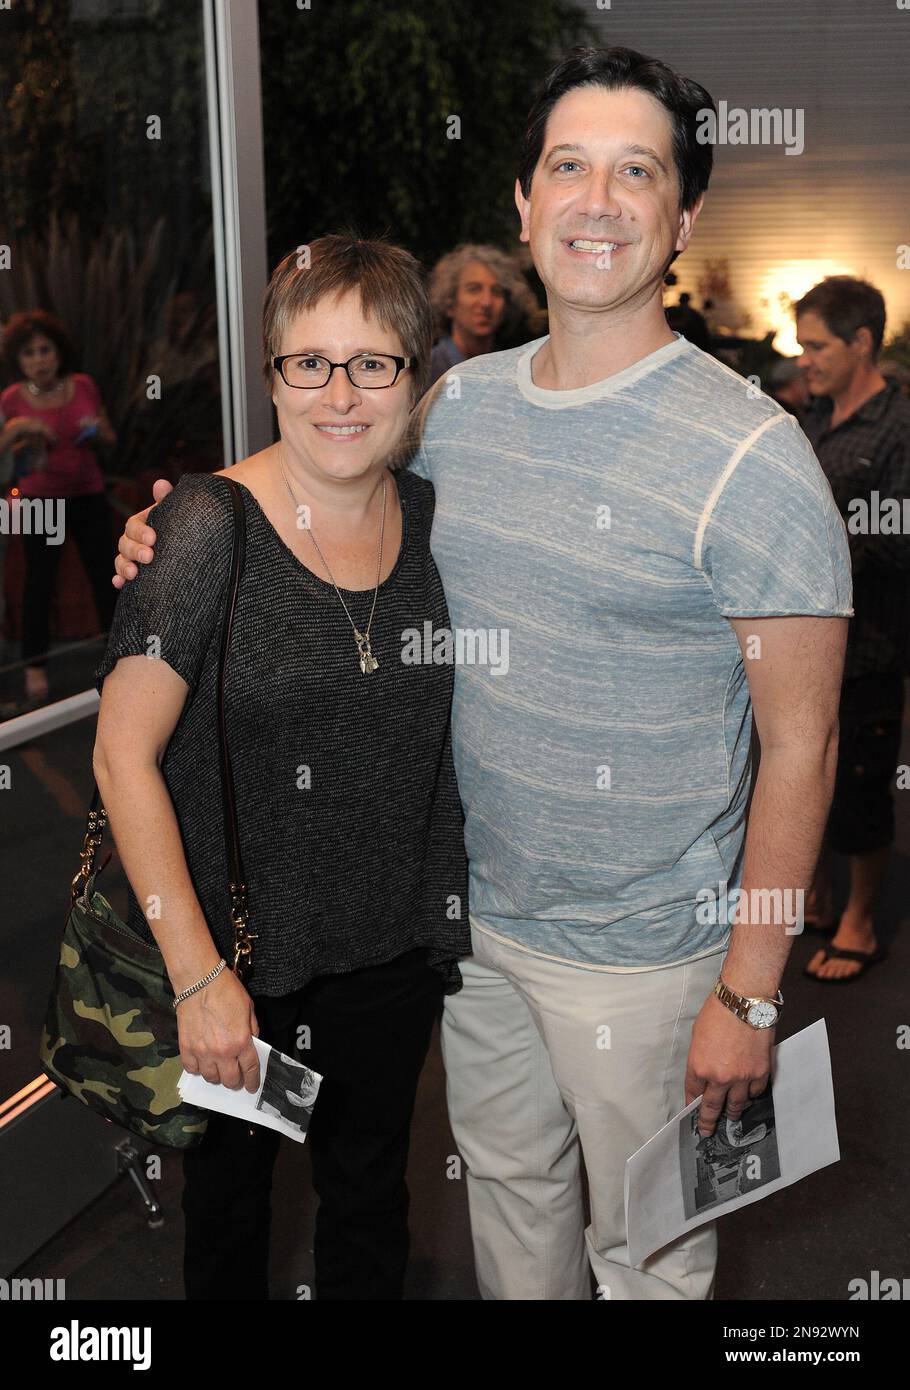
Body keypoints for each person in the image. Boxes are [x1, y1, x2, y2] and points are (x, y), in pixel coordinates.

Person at [113, 47, 852, 1302]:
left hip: (652, 960)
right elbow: (319, 471)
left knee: (652, 1267)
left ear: (682, 216)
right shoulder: (458, 405)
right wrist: (176, 531)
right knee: (514, 1244)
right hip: (470, 940)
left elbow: (806, 747)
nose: (597, 199)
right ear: (522, 204)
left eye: (637, 172)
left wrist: (755, 989)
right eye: (568, 166)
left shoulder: (754, 455)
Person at [93, 234, 471, 1300]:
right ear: (270, 377)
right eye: (308, 363)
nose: (338, 394)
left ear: (413, 373)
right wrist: (197, 977)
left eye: (371, 363)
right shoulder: (205, 526)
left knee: (368, 1209)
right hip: (239, 970)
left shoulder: (440, 520)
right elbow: (122, 755)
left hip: (391, 954)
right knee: (229, 1229)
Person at [795, 277, 910, 981]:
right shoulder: (814, 415)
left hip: (870, 639)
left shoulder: (900, 427)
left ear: (861, 342)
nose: (803, 359)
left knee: (863, 780)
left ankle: (861, 921)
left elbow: (902, 536)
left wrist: (822, 537)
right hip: (805, 636)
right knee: (805, 765)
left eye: (817, 345)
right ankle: (815, 888)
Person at [0, 311, 118, 709]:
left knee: (106, 576)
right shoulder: (11, 399)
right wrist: (18, 431)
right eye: (29, 352)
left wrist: (98, 430)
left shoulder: (84, 386)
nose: (39, 359)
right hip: (40, 500)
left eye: (45, 350)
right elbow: (3, 456)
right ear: (18, 359)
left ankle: (120, 660)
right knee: (40, 581)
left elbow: (109, 437)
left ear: (58, 352)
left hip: (87, 492)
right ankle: (35, 666)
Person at [427, 243, 538, 385]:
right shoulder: (426, 372)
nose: (486, 302)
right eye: (474, 289)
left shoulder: (513, 374)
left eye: (496, 292)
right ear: (449, 303)